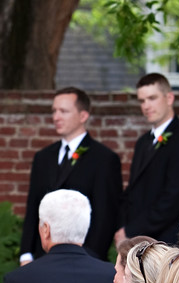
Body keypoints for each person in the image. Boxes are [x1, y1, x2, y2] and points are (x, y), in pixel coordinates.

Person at [20, 88, 121, 263]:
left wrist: (90, 259)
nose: (56, 117)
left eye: (63, 111)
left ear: (83, 116)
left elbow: (105, 216)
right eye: (54, 111)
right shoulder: (43, 157)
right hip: (42, 258)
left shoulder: (104, 159)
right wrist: (26, 254)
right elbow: (33, 208)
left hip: (85, 259)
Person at [116, 73, 179, 247]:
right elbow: (133, 192)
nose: (146, 106)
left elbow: (174, 200)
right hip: (139, 241)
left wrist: (132, 231)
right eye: (142, 101)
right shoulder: (143, 142)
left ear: (169, 98)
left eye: (152, 98)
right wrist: (121, 225)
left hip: (167, 243)